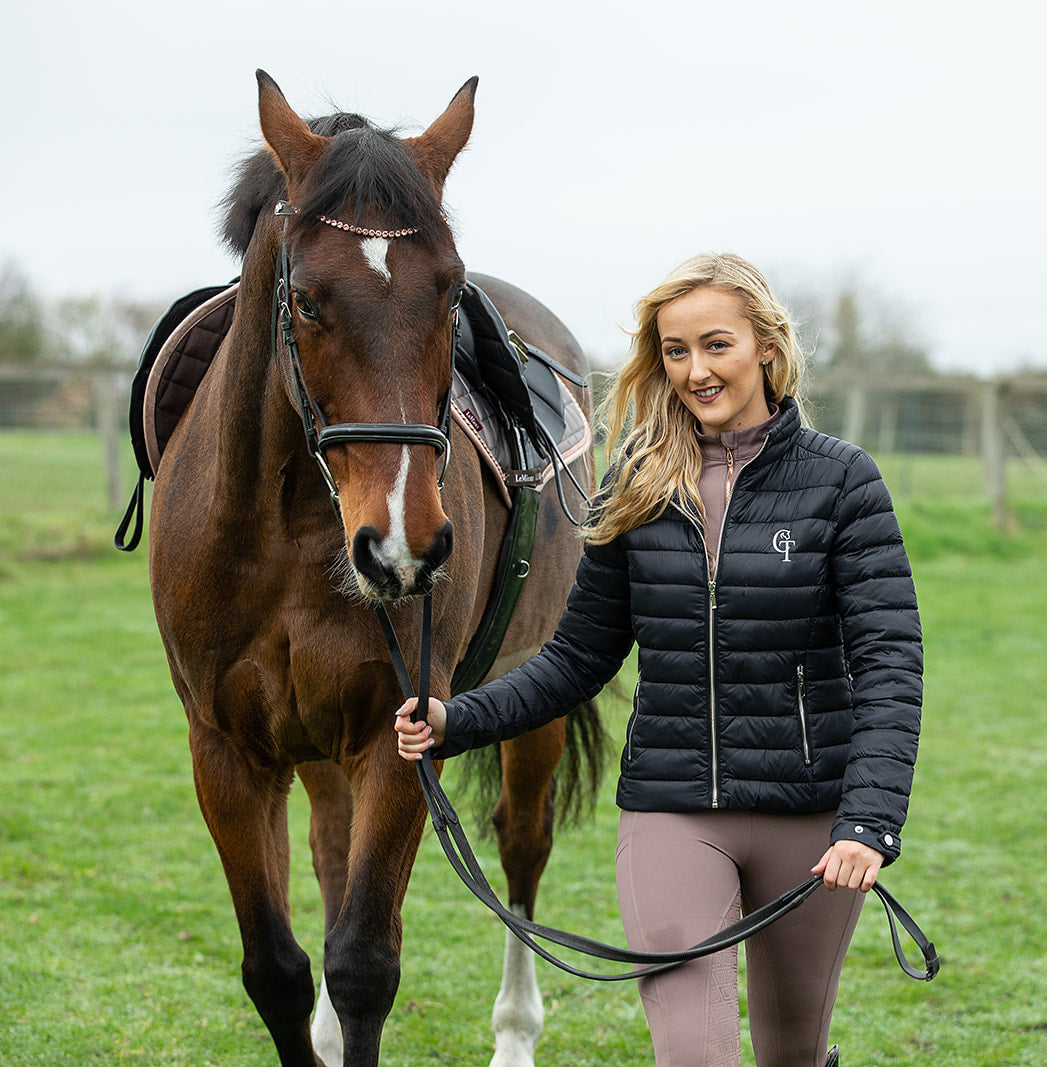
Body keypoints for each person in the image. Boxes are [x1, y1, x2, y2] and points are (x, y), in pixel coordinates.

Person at [396, 252, 923, 1067]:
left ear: (767, 349)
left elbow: (890, 661)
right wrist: (456, 719)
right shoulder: (635, 485)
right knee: (694, 1055)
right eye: (676, 351)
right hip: (671, 810)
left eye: (716, 345)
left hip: (811, 819)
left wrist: (870, 821)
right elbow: (576, 658)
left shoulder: (843, 483)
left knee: (794, 1051)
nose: (695, 370)